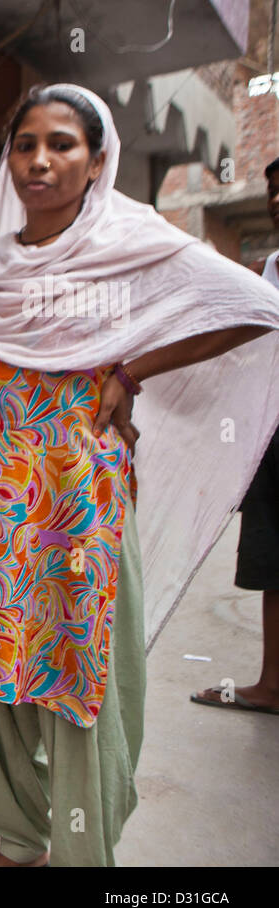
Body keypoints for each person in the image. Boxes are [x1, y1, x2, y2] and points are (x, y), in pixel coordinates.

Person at [0, 84, 279, 867]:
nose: (39, 160)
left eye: (61, 144)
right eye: (24, 143)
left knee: (72, 671)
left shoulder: (130, 246)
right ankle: (22, 839)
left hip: (76, 503)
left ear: (97, 161)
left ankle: (81, 853)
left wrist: (133, 371)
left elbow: (256, 307)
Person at [191, 155, 279, 717]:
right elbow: (255, 332)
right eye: (273, 189)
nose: (276, 199)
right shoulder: (274, 265)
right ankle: (272, 684)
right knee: (274, 562)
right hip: (276, 428)